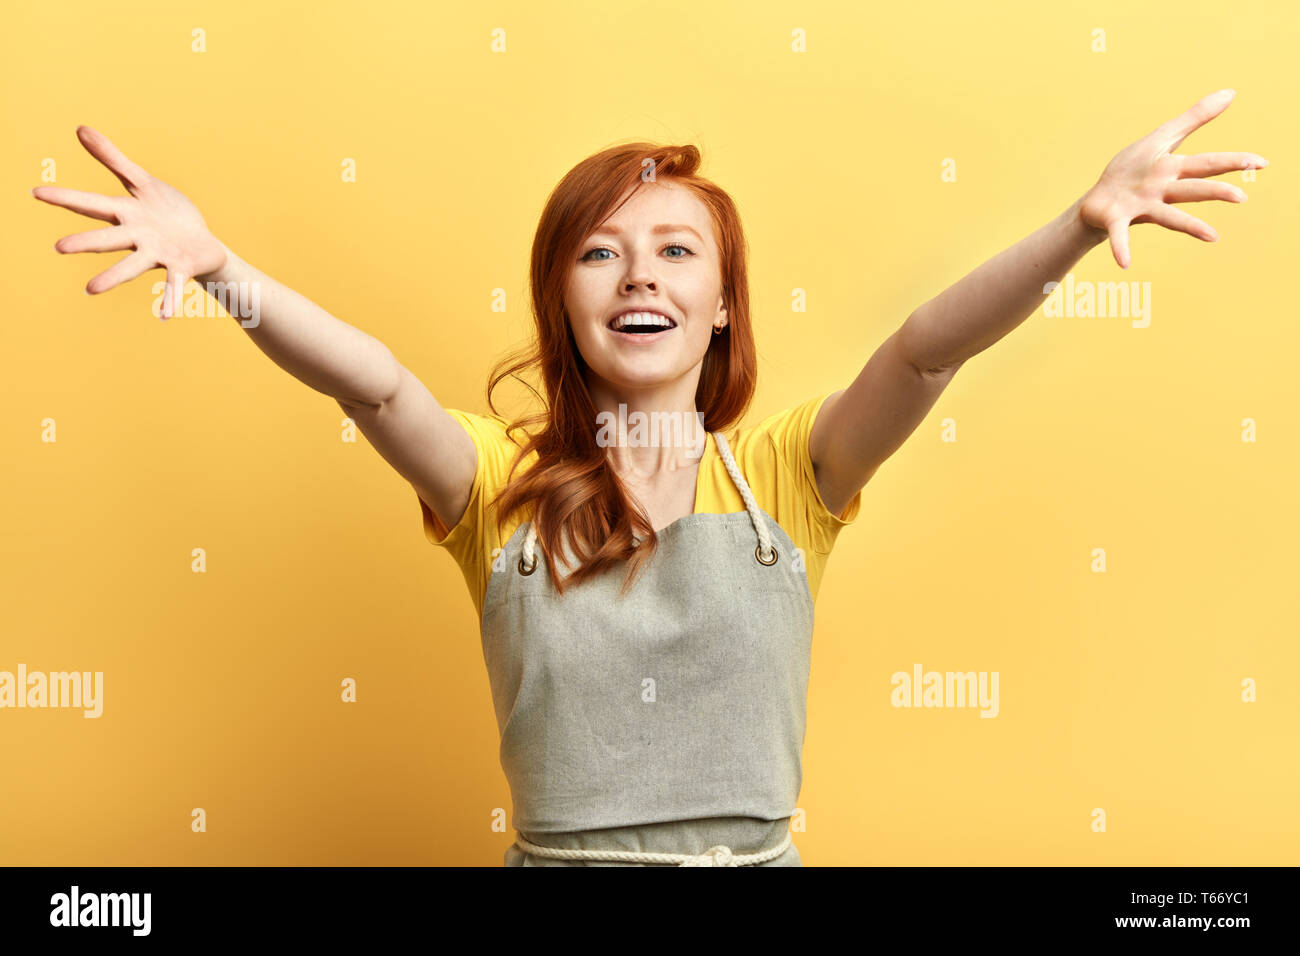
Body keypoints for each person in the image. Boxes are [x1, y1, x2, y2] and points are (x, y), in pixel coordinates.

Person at [33, 90, 1265, 866]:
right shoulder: (493, 480)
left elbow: (923, 347)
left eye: (676, 251)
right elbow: (370, 382)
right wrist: (215, 267)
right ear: (560, 299)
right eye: (600, 253)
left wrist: (1072, 225)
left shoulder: (793, 472)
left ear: (722, 305)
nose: (639, 276)